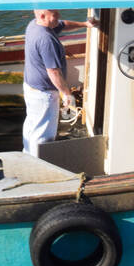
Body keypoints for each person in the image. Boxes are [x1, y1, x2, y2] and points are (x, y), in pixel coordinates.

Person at [22, 8, 99, 155]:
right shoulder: (46, 39)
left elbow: (63, 24)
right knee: (43, 135)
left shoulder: (34, 24)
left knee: (32, 125)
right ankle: (39, 165)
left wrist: (85, 24)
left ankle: (27, 154)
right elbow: (53, 72)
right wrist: (67, 95)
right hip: (44, 94)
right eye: (55, 15)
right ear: (43, 16)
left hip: (30, 88)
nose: (59, 16)